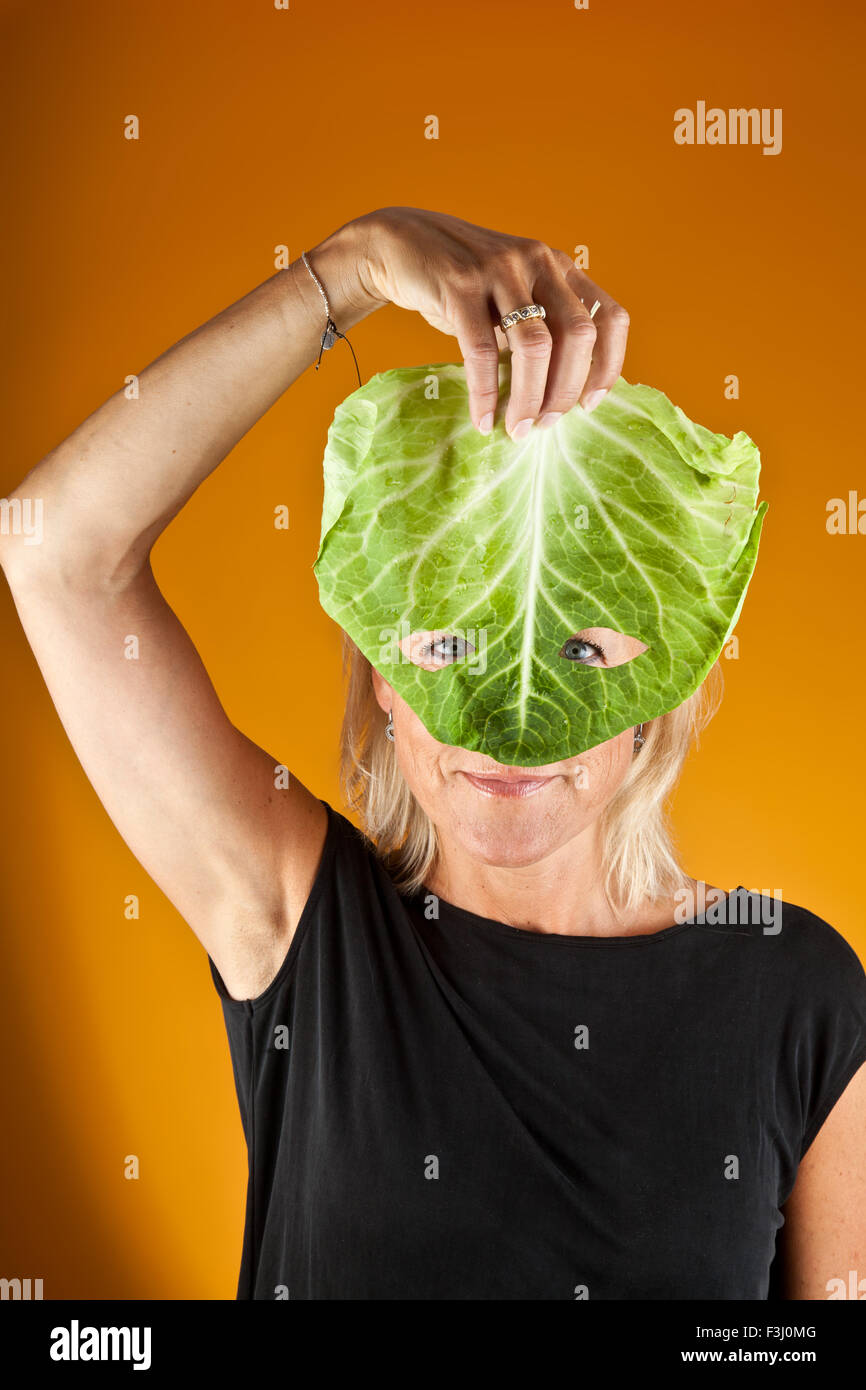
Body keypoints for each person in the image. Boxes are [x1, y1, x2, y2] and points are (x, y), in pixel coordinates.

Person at [2, 206, 865, 1301]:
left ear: (668, 684)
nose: (504, 716)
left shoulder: (796, 997)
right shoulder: (304, 929)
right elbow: (55, 552)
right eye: (448, 641)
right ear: (381, 681)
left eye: (582, 646)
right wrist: (349, 268)